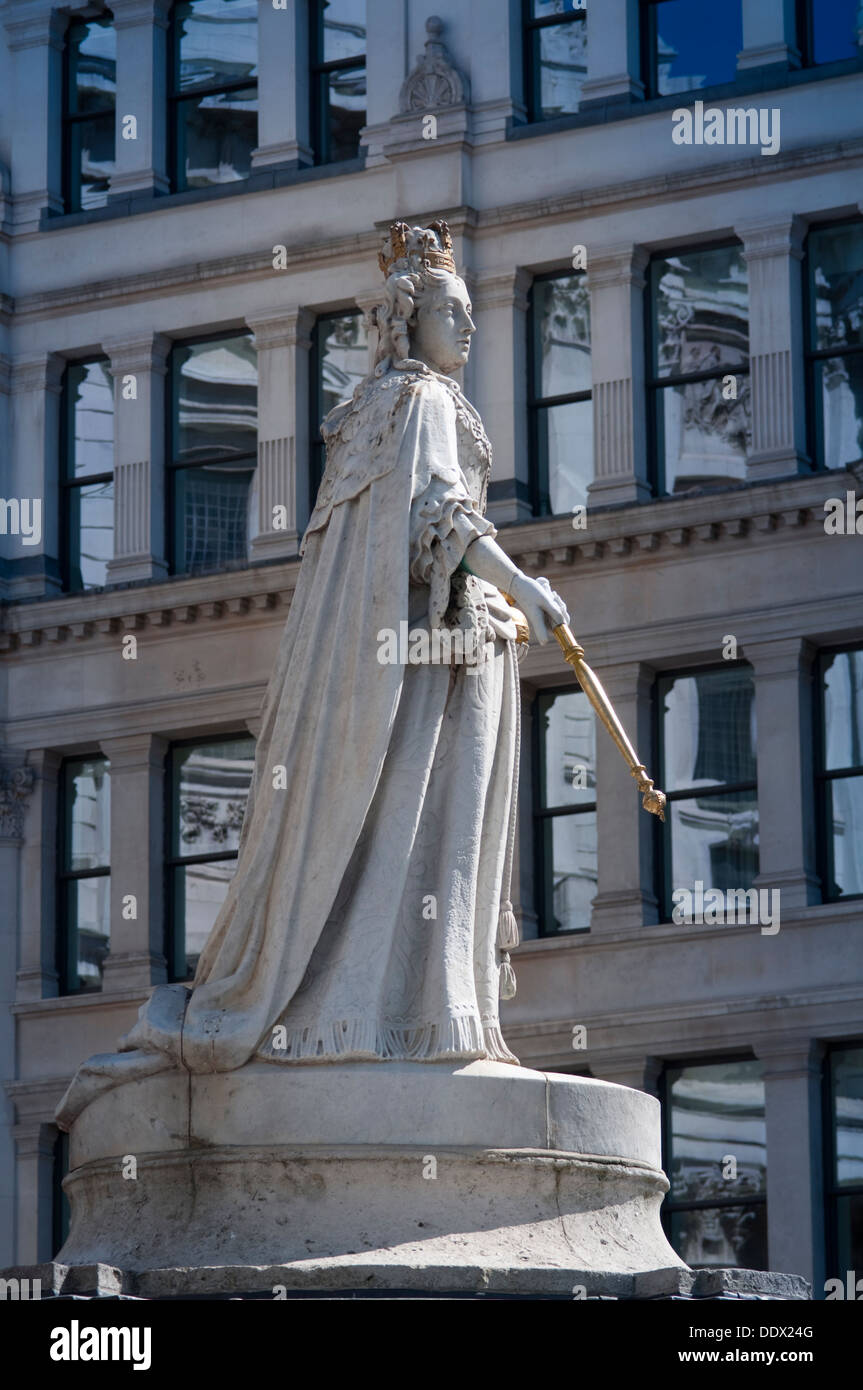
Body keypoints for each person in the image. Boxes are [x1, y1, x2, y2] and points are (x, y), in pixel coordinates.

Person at [57, 220, 570, 1121]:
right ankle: (414, 1016)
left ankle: (371, 1007)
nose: (471, 327)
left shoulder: (376, 413)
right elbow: (437, 516)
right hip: (428, 661)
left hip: (417, 655)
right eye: (453, 310)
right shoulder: (420, 405)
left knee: (387, 823)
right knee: (414, 824)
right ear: (412, 322)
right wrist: (523, 586)